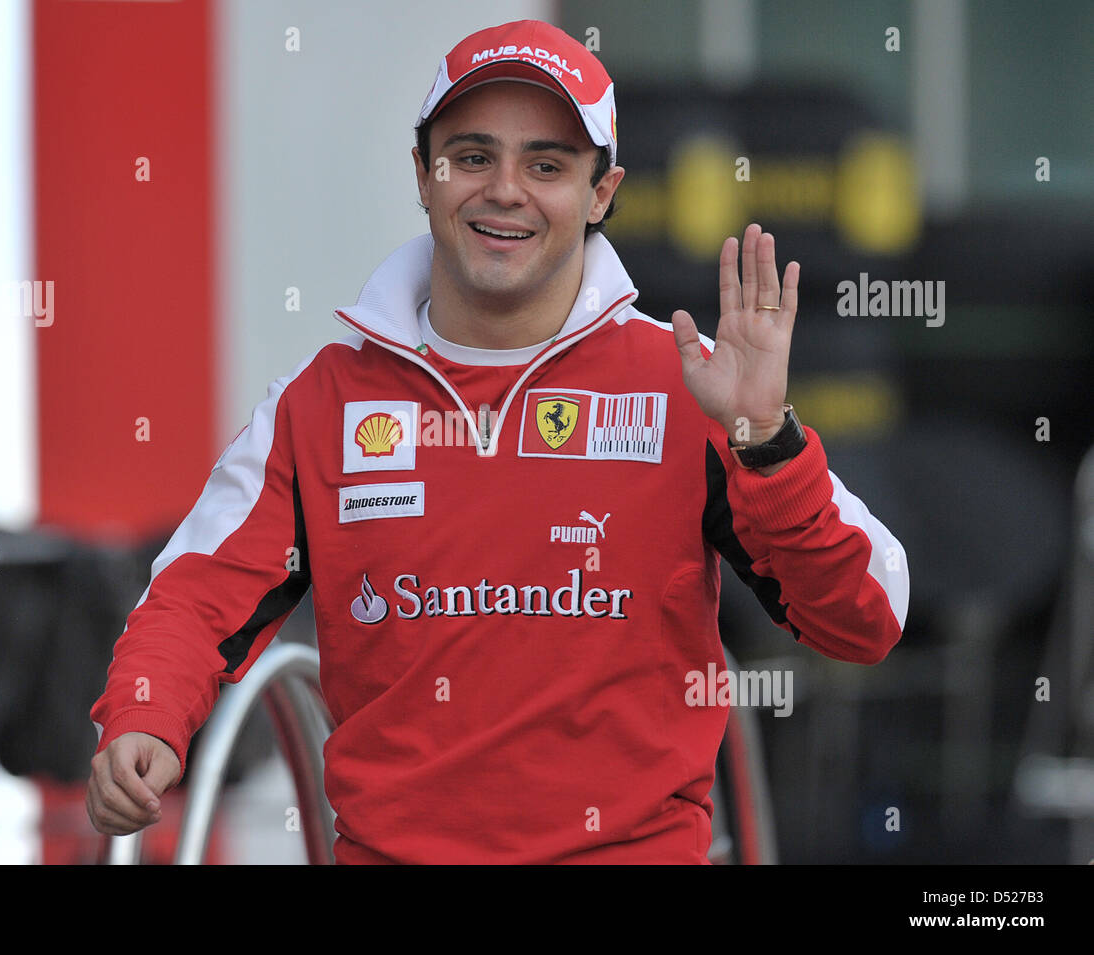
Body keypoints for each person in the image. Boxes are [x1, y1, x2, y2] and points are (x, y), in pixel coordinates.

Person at [86, 19, 908, 863]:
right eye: (472, 157)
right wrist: (144, 713)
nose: (504, 190)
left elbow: (867, 618)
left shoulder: (691, 386)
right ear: (423, 174)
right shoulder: (321, 402)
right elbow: (191, 597)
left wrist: (766, 441)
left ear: (601, 193)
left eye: (546, 165)